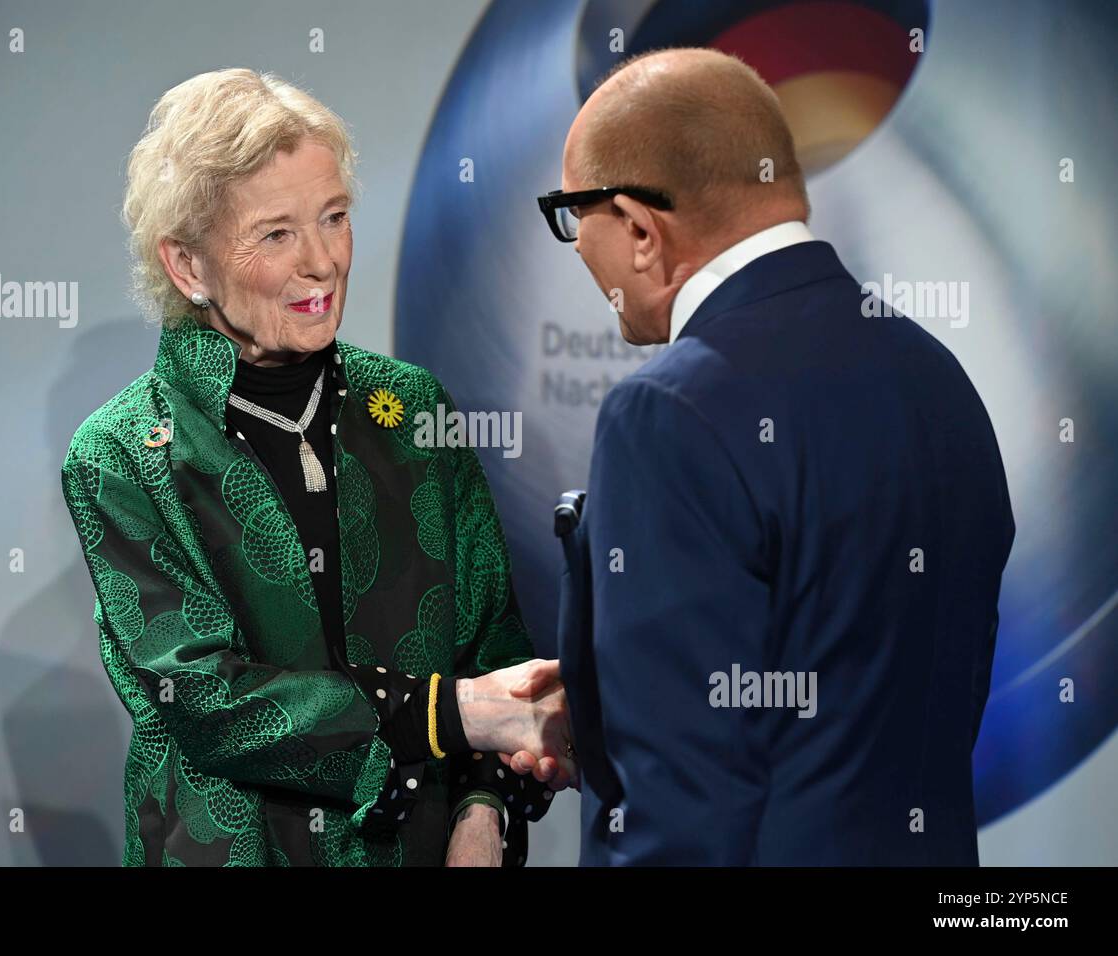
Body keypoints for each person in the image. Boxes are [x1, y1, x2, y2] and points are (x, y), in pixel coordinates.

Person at [60, 68, 571, 867]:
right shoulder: (120, 454)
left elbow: (489, 648)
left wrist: (484, 811)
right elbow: (209, 702)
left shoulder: (411, 408)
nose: (323, 262)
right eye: (275, 234)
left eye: (334, 218)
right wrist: (452, 715)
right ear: (188, 266)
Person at [522, 47, 1015, 864]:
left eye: (577, 215)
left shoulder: (666, 412)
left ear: (642, 230)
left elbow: (683, 808)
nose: (576, 247)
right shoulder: (937, 374)